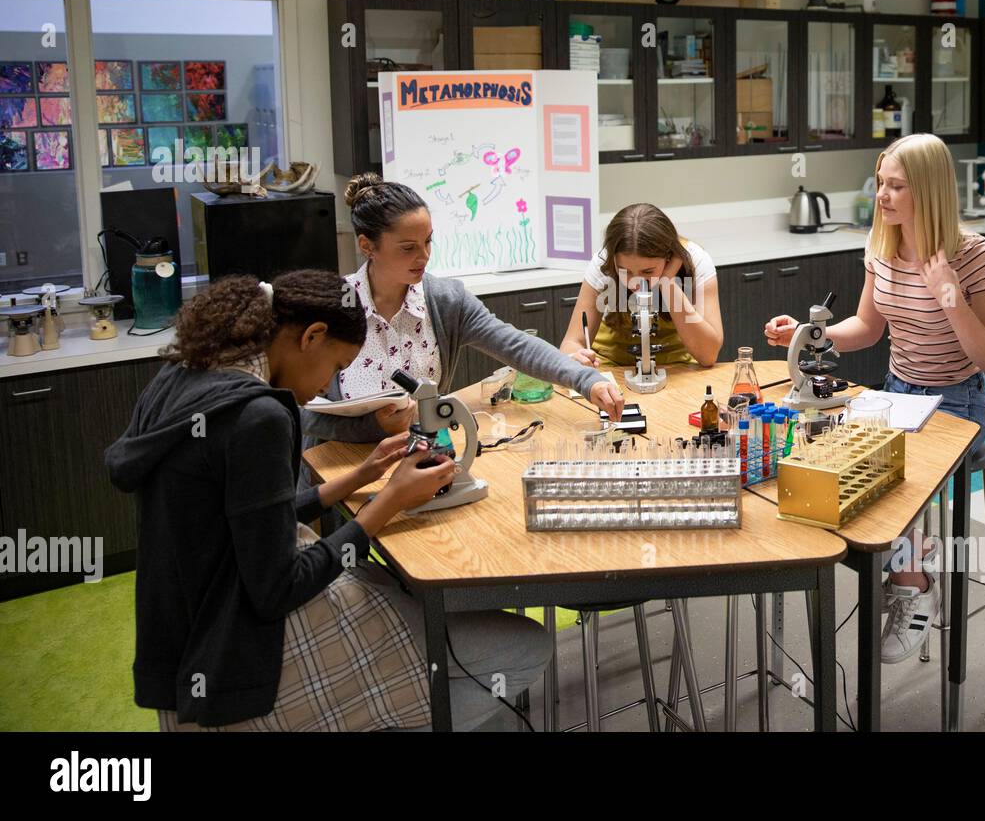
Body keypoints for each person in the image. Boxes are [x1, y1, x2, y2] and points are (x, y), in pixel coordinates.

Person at [105, 270, 550, 730]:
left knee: (393, 591)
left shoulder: (184, 376)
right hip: (240, 648)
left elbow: (243, 522)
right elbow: (280, 587)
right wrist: (390, 501)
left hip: (186, 635)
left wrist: (359, 477)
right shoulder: (256, 416)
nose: (324, 387)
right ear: (312, 336)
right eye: (336, 368)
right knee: (521, 648)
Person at [764, 133, 985, 664]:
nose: (883, 194)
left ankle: (914, 583)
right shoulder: (882, 248)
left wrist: (948, 294)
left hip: (958, 405)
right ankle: (910, 562)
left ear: (928, 191)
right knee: (847, 467)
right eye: (880, 183)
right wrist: (812, 336)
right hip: (898, 395)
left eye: (896, 185)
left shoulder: (975, 257)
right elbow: (869, 328)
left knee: (897, 483)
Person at [303, 173, 624, 453]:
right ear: (367, 246)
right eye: (408, 247)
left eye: (428, 242)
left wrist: (587, 380)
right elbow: (302, 410)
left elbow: (517, 345)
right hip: (342, 464)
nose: (424, 256)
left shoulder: (444, 300)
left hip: (420, 455)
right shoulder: (336, 303)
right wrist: (372, 428)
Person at [558, 203, 723, 369]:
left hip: (677, 366)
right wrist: (576, 356)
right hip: (612, 365)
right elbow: (571, 343)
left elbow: (708, 355)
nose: (635, 283)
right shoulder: (603, 263)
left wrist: (667, 283)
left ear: (668, 257)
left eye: (648, 271)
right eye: (624, 271)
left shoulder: (696, 261)